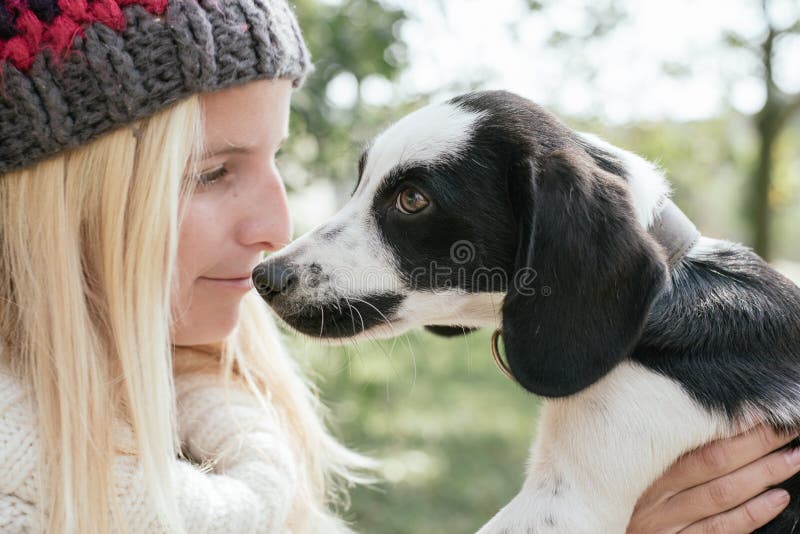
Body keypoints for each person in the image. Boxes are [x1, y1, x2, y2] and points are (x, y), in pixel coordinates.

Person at [0, 1, 796, 533]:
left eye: (275, 160)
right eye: (211, 173)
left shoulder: (237, 436)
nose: (279, 226)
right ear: (64, 205)